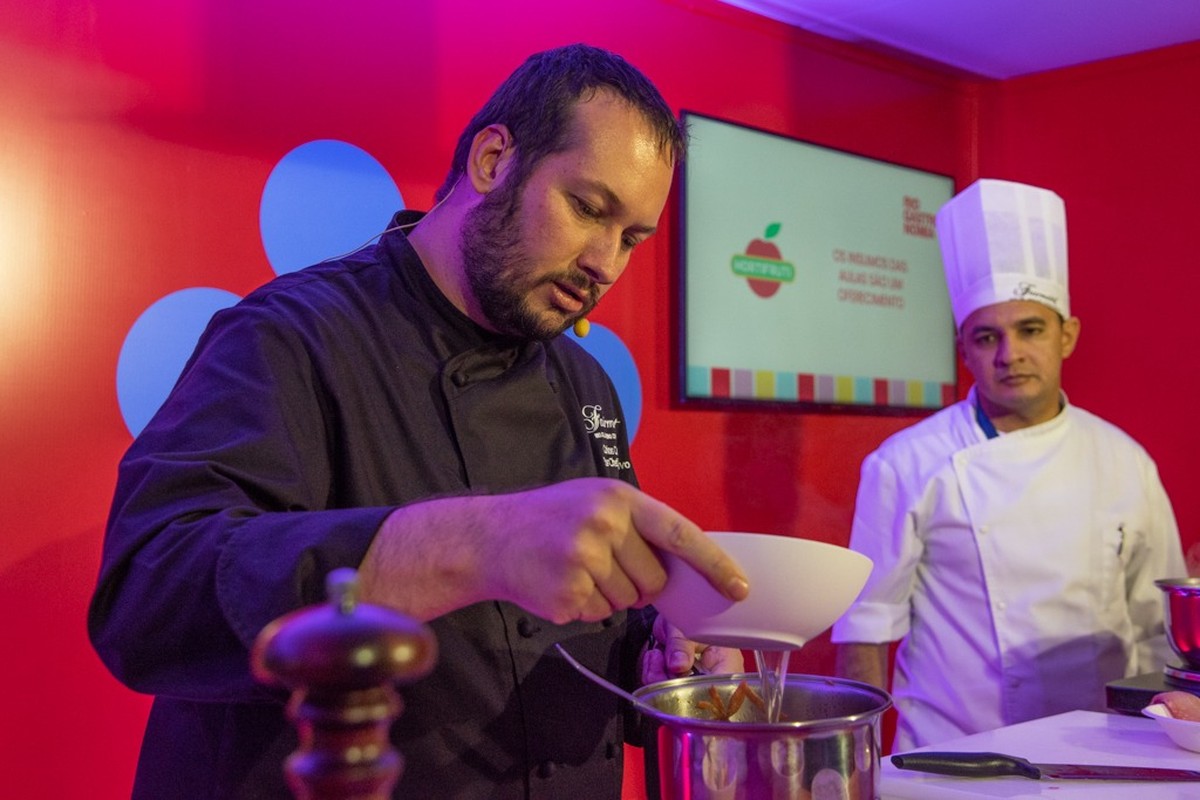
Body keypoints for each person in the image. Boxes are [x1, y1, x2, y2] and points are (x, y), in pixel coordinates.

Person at [88, 44, 749, 800]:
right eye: (588, 209)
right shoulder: (291, 336)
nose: (606, 263)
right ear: (493, 161)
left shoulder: (584, 382)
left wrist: (656, 657)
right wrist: (472, 544)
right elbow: (148, 596)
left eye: (631, 238)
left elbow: (569, 627)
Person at [831, 178, 1185, 751]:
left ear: (1067, 336)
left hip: (1103, 750)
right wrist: (858, 760)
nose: (1009, 354)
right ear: (963, 348)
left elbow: (1157, 629)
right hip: (951, 756)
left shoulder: (1125, 461)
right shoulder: (906, 463)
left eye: (1031, 330)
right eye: (986, 337)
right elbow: (865, 629)